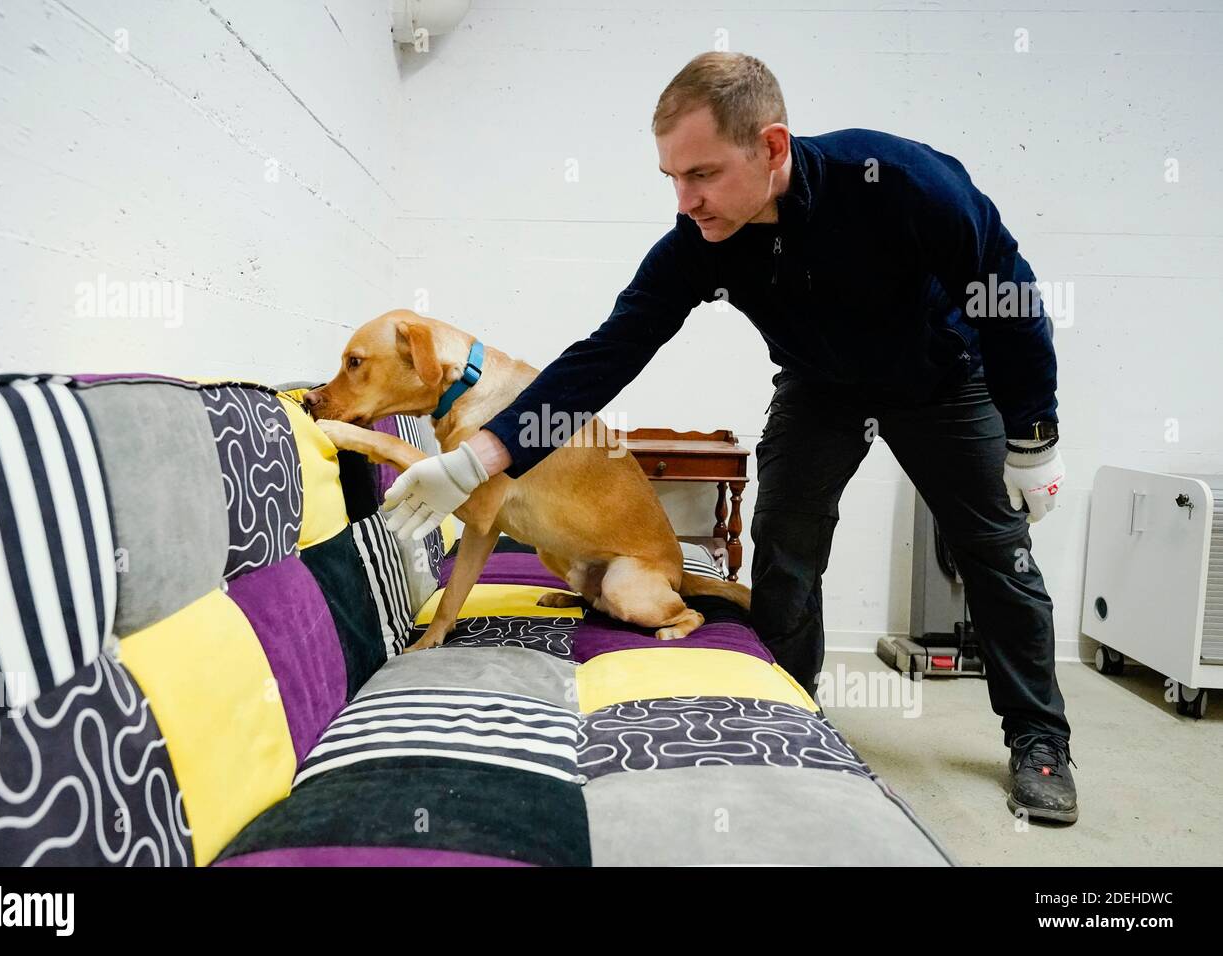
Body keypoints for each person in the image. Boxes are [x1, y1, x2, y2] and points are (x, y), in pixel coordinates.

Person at [378, 51, 1077, 824]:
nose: (687, 199)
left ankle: (1039, 739)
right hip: (821, 390)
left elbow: (1006, 287)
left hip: (943, 381)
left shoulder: (901, 181)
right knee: (783, 546)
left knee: (995, 551)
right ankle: (790, 707)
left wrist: (1033, 434)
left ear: (771, 147)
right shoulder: (702, 240)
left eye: (702, 174)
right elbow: (609, 352)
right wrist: (478, 456)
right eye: (672, 178)